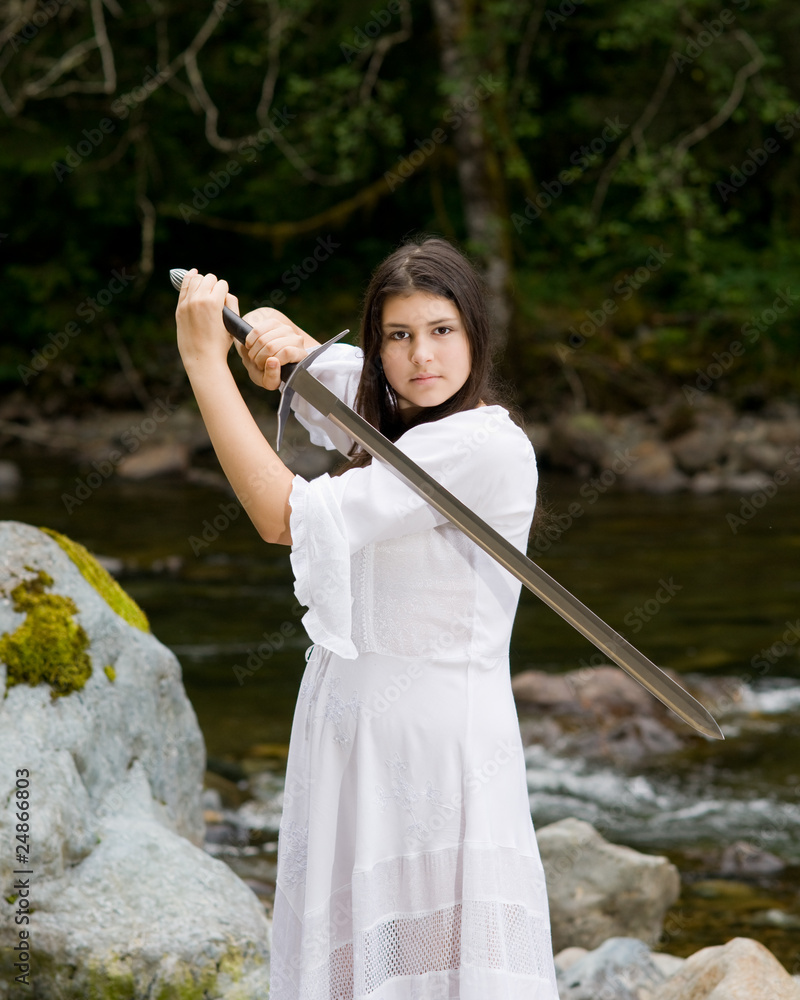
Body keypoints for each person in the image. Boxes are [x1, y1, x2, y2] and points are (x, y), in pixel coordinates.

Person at [175, 235, 560, 1000]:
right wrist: (275, 336)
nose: (422, 356)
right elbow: (335, 378)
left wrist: (202, 364)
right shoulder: (405, 406)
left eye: (442, 331)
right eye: (399, 334)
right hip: (352, 731)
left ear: (476, 334)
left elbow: (282, 515)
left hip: (433, 749)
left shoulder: (485, 446)